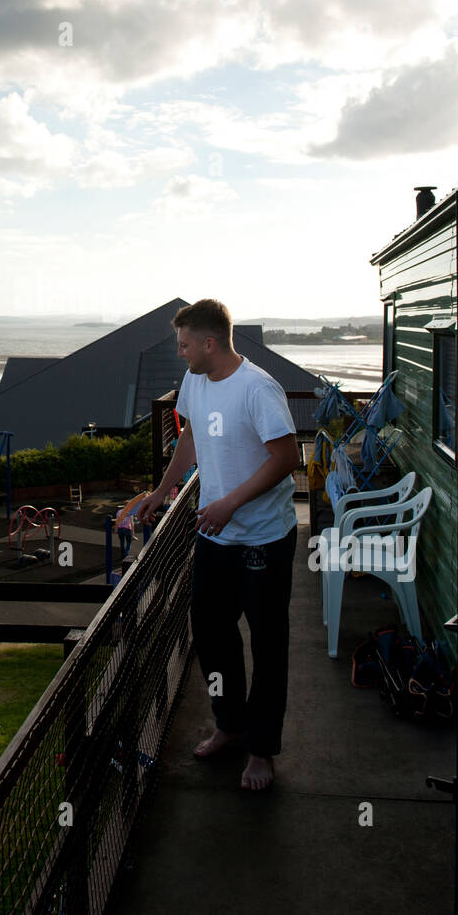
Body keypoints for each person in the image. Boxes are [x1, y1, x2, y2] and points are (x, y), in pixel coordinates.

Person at [135, 299, 300, 792]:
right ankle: (229, 724)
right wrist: (161, 491)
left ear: (209, 343)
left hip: (264, 540)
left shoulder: (258, 389)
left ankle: (261, 749)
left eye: (184, 345)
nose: (180, 353)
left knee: (268, 647)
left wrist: (229, 503)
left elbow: (287, 458)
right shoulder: (195, 381)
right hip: (215, 537)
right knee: (210, 636)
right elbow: (188, 440)